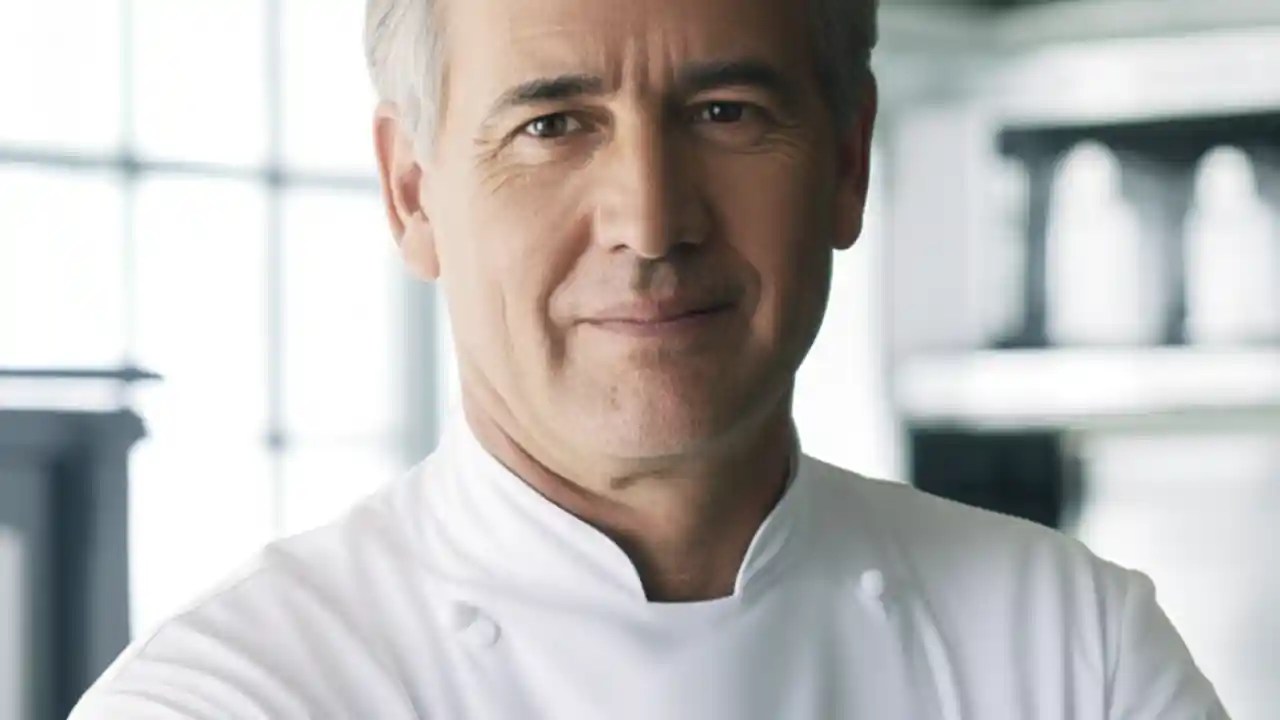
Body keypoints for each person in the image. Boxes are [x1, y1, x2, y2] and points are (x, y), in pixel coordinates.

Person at [71, 0, 1230, 717]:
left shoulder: (1070, 648)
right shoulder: (236, 698)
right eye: (551, 124)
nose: (650, 220)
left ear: (844, 162)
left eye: (724, 111)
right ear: (412, 193)